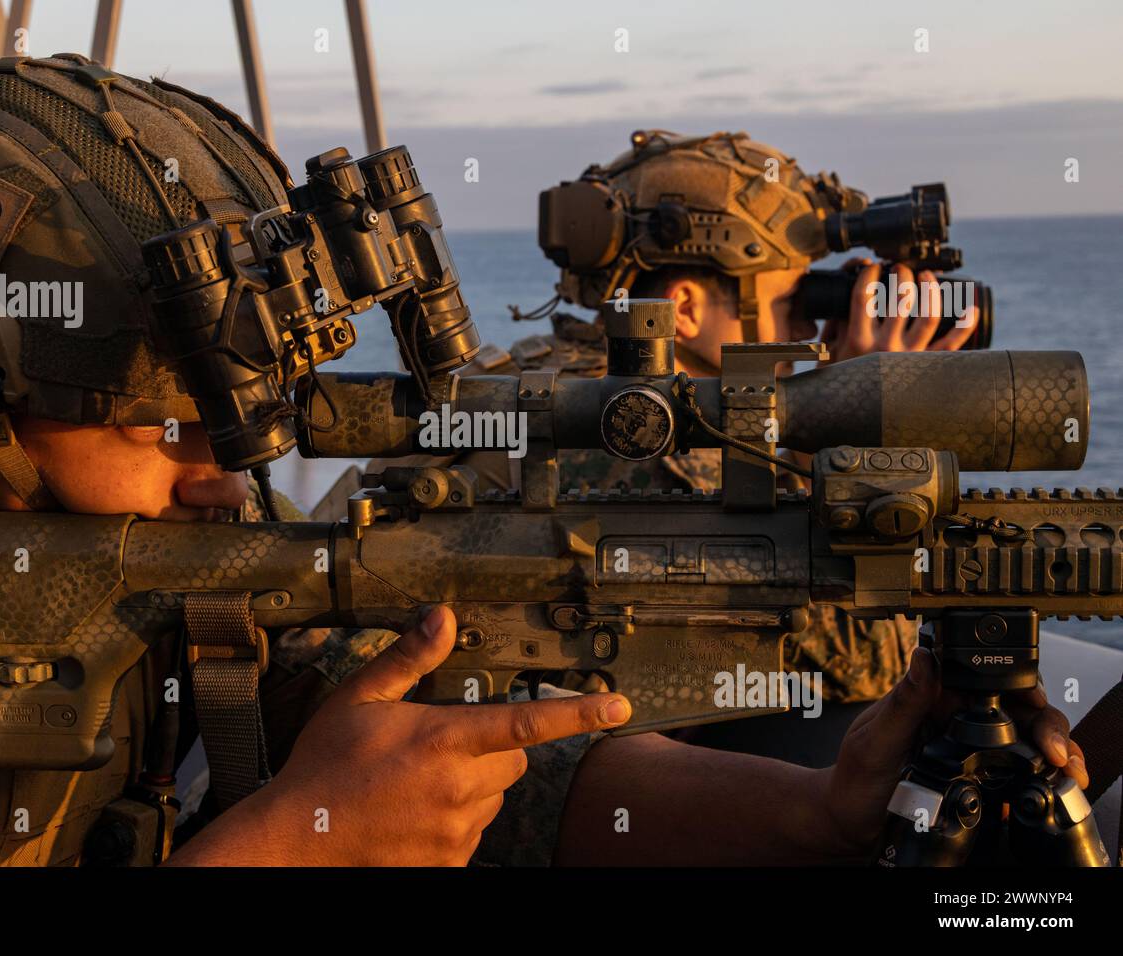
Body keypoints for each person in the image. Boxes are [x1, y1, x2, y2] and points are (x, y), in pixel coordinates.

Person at [0, 61, 1085, 868]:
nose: (226, 469)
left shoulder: (166, 547)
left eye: (251, 413)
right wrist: (292, 847)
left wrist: (814, 817)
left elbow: (458, 761)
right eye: (164, 421)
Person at [392, 130, 981, 765]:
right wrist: (870, 434)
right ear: (686, 308)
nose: (811, 326)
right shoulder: (645, 444)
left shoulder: (535, 377)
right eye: (791, 299)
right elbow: (872, 663)